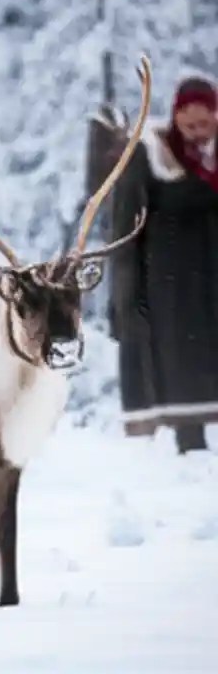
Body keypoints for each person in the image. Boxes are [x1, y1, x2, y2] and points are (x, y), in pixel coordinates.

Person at [109, 76, 218, 454]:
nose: (197, 132)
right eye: (190, 124)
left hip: (213, 283)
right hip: (169, 288)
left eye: (205, 123)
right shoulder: (148, 156)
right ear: (176, 117)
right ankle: (189, 451)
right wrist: (125, 299)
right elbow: (124, 231)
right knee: (181, 371)